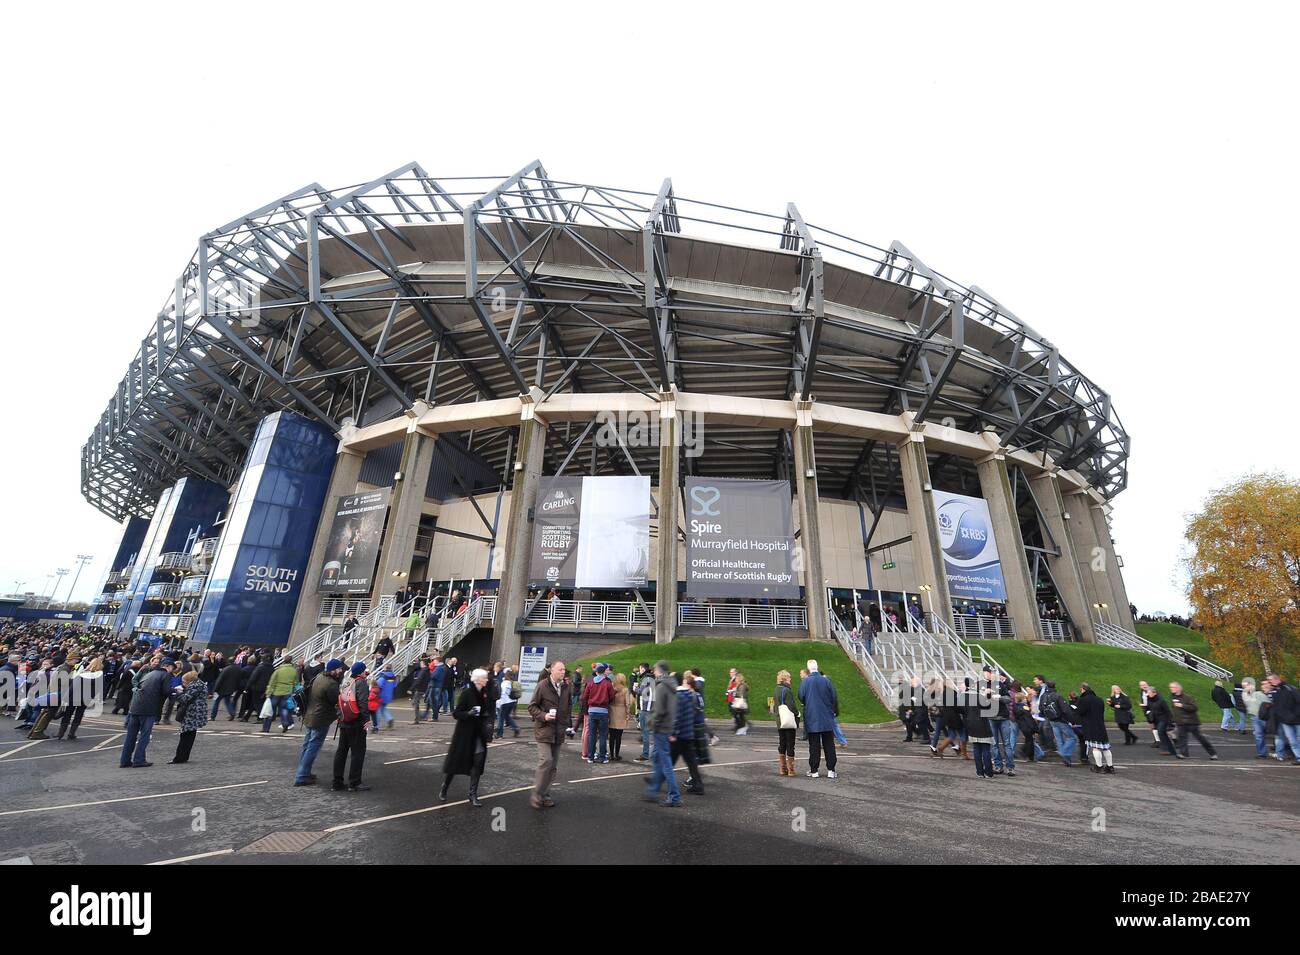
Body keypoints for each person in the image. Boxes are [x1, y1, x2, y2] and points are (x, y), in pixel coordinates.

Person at [440, 668, 496, 807]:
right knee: (455, 765)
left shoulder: (485, 693)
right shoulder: (466, 693)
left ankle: (472, 794)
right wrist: (469, 713)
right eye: (484, 678)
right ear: (477, 680)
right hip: (464, 735)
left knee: (478, 762)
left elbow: (491, 703)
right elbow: (456, 713)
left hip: (478, 734)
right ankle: (445, 787)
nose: (487, 680)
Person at [527, 660, 572, 810]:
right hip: (544, 730)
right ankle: (536, 793)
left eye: (564, 670)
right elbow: (532, 706)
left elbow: (569, 705)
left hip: (558, 731)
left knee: (553, 766)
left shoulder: (566, 687)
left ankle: (545, 795)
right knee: (546, 760)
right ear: (552, 671)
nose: (563, 672)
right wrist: (544, 716)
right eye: (560, 670)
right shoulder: (542, 685)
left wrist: (566, 721)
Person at [295, 658, 344, 787]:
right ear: (333, 669)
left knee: (307, 745)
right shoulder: (331, 684)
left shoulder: (319, 677)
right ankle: (301, 776)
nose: (341, 671)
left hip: (310, 715)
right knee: (313, 747)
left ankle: (304, 772)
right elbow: (336, 701)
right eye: (339, 669)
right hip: (320, 718)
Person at [120, 661, 173, 769]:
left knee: (130, 736)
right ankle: (139, 760)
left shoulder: (150, 673)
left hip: (135, 707)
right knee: (144, 735)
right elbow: (166, 691)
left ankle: (124, 761)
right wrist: (175, 691)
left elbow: (138, 684)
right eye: (172, 668)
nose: (172, 671)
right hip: (149, 708)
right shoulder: (165, 675)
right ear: (168, 667)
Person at [643, 661, 681, 806]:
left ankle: (675, 797)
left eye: (655, 670)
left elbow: (658, 711)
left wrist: (650, 725)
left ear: (660, 671)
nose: (654, 672)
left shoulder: (661, 687)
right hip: (668, 728)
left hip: (661, 729)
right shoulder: (673, 686)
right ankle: (653, 790)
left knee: (665, 764)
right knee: (659, 759)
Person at [333, 662, 371, 791]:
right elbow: (363, 703)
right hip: (356, 722)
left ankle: (337, 781)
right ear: (360, 672)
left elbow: (339, 701)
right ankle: (354, 782)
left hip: (344, 720)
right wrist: (366, 720)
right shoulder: (361, 683)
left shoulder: (347, 682)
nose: (365, 673)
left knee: (341, 751)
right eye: (364, 671)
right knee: (358, 752)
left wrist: (340, 716)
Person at [798, 660, 839, 779]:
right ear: (817, 667)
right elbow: (833, 696)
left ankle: (814, 770)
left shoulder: (805, 682)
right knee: (829, 745)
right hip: (826, 716)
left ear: (808, 669)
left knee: (814, 745)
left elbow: (801, 696)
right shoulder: (826, 680)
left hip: (812, 716)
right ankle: (831, 770)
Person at [672, 672, 704, 794]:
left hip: (682, 733)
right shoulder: (694, 695)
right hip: (689, 732)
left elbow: (678, 715)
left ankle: (656, 783)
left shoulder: (683, 695)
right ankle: (698, 785)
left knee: (670, 761)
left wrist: (674, 732)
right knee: (691, 761)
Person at [1169, 682, 1218, 759]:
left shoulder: (1187, 697)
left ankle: (1213, 753)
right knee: (1182, 739)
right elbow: (1174, 710)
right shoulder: (1173, 697)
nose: (1171, 689)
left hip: (1192, 722)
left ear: (1178, 688)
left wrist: (1182, 705)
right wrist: (1173, 720)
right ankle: (1183, 754)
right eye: (1170, 687)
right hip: (1181, 722)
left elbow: (1194, 708)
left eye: (1173, 687)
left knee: (1200, 738)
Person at [169, 670, 209, 764]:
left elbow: (185, 699)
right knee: (190, 735)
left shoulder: (195, 686)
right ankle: (184, 757)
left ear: (189, 680)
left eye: (184, 682)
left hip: (192, 712)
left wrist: (177, 693)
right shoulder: (200, 684)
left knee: (185, 736)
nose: (183, 684)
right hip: (197, 712)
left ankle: (179, 758)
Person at [1075, 682, 1114, 774]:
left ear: (1083, 689)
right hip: (1101, 725)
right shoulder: (1099, 699)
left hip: (1090, 726)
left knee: (1095, 747)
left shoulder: (1083, 700)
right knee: (1105, 747)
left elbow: (1080, 712)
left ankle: (1099, 767)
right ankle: (1110, 767)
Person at [582, 662, 615, 764]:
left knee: (592, 735)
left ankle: (590, 757)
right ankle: (602, 757)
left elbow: (584, 697)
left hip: (592, 711)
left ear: (596, 672)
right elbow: (612, 696)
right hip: (603, 711)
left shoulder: (590, 683)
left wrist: (590, 703)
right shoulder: (607, 683)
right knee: (603, 735)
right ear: (604, 673)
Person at [1039, 679, 1078, 766]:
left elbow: (1040, 709)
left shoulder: (1043, 696)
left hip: (1051, 720)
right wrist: (1072, 720)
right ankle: (1064, 753)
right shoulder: (1057, 696)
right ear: (1054, 686)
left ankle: (1066, 759)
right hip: (1061, 720)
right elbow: (1065, 710)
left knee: (1059, 739)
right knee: (1072, 738)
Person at [1264, 673, 1300, 763]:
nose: (1269, 682)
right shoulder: (1276, 691)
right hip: (1285, 720)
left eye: (1270, 680)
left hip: (1296, 719)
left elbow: (1298, 701)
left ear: (1276, 679)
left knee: (1296, 739)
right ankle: (1298, 757)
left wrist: (1295, 714)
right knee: (1292, 741)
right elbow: (1276, 706)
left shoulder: (1289, 689)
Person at [262, 654, 299, 733]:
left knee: (270, 710)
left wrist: (268, 692)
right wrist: (294, 691)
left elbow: (272, 682)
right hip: (287, 693)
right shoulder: (294, 671)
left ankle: (266, 728)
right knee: (284, 709)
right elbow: (296, 683)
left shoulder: (278, 670)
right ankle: (285, 723)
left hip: (276, 692)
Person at [774, 669, 800, 777]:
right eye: (789, 677)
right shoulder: (787, 690)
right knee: (790, 744)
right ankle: (791, 769)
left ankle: (783, 768)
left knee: (782, 743)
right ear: (785, 679)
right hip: (788, 720)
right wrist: (797, 713)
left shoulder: (776, 689)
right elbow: (791, 706)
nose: (790, 679)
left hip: (780, 720)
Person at [1241, 677, 1269, 759]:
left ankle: (1280, 752)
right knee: (1259, 736)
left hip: (1263, 717)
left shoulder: (1259, 694)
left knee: (1276, 735)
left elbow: (1268, 704)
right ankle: (1262, 753)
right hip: (1255, 717)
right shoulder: (1246, 695)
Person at [1146, 687, 1176, 755]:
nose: (1148, 694)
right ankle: (1171, 749)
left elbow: (1168, 711)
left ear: (1154, 693)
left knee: (1160, 732)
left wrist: (1171, 721)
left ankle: (1166, 749)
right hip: (1156, 719)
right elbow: (1150, 709)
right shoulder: (1149, 700)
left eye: (1149, 693)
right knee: (1163, 734)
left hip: (1163, 718)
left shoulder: (1161, 700)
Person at [609, 672, 631, 760]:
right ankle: (616, 754)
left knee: (611, 736)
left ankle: (611, 755)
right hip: (621, 712)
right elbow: (627, 703)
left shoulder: (612, 688)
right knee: (618, 736)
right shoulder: (625, 690)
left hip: (611, 711)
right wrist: (628, 713)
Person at [634, 663, 654, 761]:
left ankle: (645, 754)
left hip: (645, 708)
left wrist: (635, 688)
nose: (639, 670)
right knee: (651, 733)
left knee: (645, 732)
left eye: (640, 668)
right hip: (651, 707)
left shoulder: (646, 679)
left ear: (643, 668)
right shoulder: (652, 678)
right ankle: (653, 753)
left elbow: (641, 691)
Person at [495, 666, 521, 739]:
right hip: (512, 701)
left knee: (501, 718)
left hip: (504, 702)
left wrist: (498, 703)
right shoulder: (513, 682)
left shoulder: (504, 683)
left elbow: (501, 694)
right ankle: (516, 728)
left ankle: (499, 734)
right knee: (506, 716)